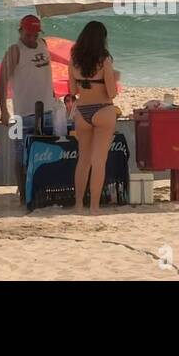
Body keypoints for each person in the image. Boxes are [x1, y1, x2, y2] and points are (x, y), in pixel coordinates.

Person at [68, 21, 118, 215]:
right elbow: (112, 93)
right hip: (103, 110)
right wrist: (115, 77)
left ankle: (79, 204)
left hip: (83, 111)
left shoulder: (74, 60)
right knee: (99, 161)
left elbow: (72, 91)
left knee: (83, 161)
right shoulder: (104, 60)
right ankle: (95, 207)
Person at [0, 15, 57, 125]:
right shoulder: (15, 51)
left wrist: (53, 95)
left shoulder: (43, 44)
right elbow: (2, 82)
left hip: (49, 109)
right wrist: (4, 110)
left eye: (35, 35)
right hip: (26, 114)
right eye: (28, 35)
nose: (32, 38)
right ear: (20, 31)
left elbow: (45, 74)